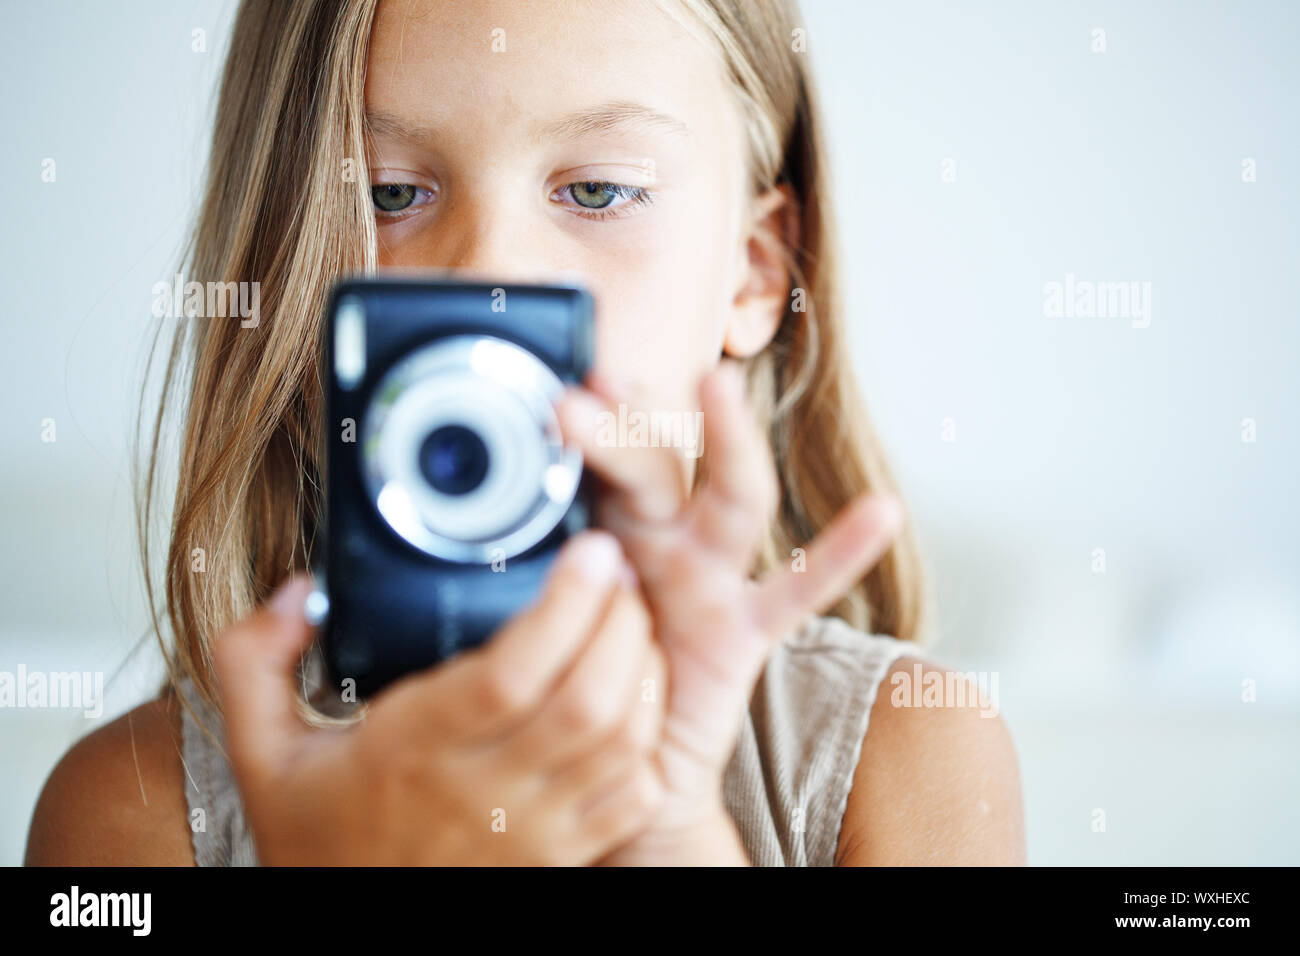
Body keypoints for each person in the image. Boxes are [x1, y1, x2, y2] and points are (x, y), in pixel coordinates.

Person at [26, 0, 1025, 866]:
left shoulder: (899, 759)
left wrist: (671, 832)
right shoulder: (135, 805)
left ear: (756, 271)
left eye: (597, 191)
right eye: (387, 194)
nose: (489, 276)